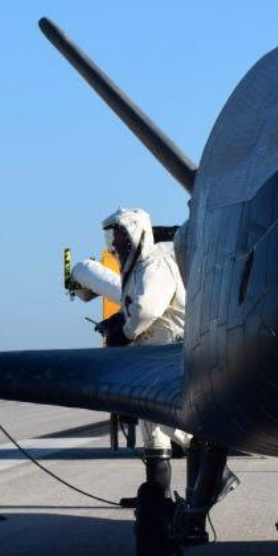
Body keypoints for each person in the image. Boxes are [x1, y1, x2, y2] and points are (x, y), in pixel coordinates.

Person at [91, 209, 190, 503]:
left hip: (169, 358)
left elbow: (146, 310)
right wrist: (118, 321)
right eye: (113, 236)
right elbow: (137, 307)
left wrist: (125, 332)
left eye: (120, 234)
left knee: (181, 429)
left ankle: (204, 484)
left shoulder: (156, 265)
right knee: (154, 438)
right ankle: (157, 497)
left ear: (138, 233)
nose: (116, 243)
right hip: (151, 360)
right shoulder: (138, 270)